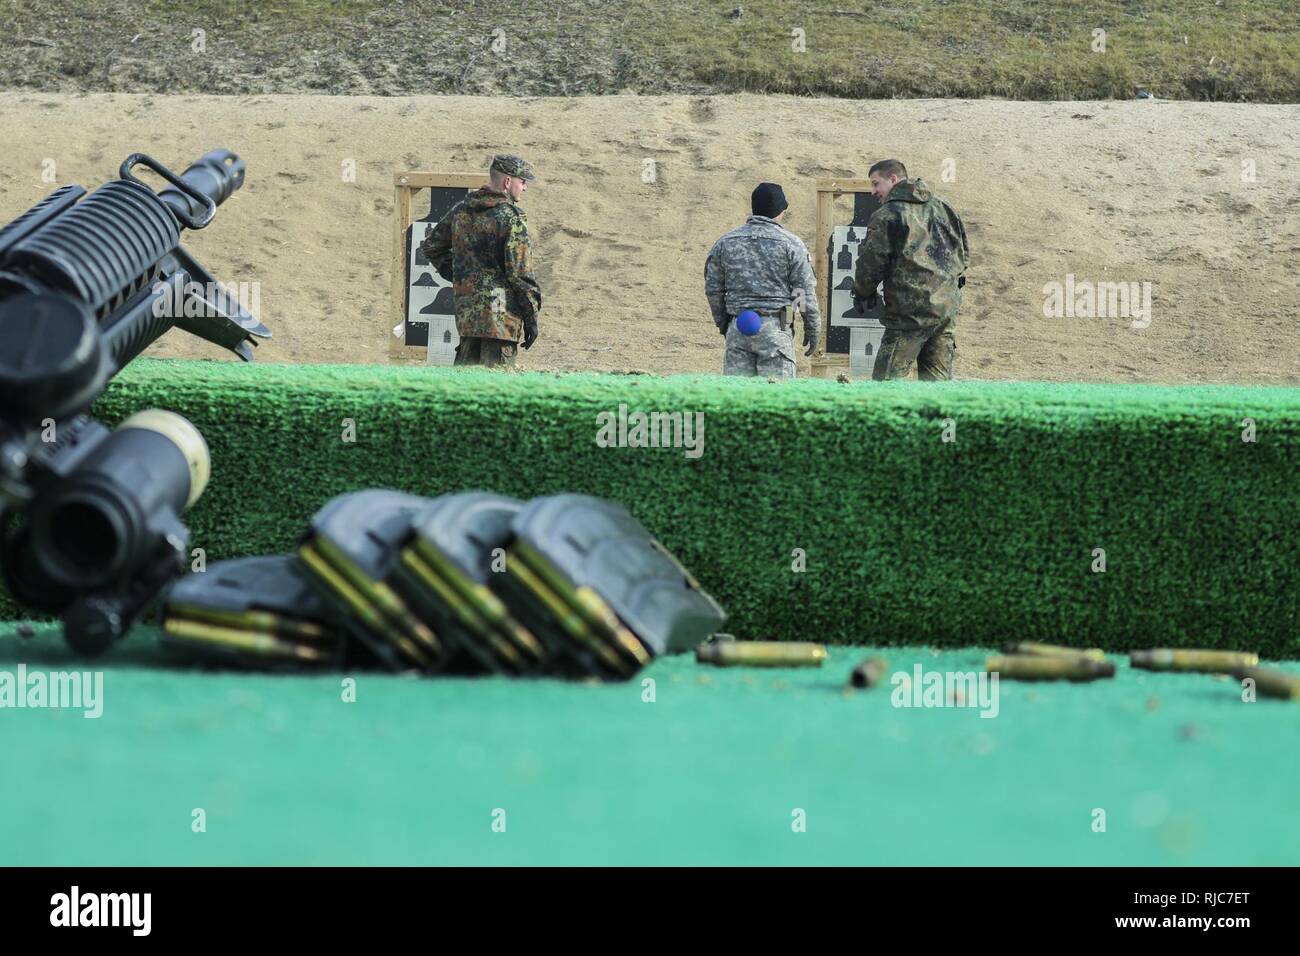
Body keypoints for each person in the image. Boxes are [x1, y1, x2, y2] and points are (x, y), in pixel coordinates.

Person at [420, 154, 542, 367]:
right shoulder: (511, 218)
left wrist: (462, 277)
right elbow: (520, 275)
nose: (524, 187)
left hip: (468, 319)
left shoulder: (461, 210)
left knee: (465, 384)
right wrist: (531, 318)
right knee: (495, 384)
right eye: (522, 181)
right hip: (500, 319)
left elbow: (432, 246)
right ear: (507, 182)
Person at [852, 159, 968, 381]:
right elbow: (962, 254)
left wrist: (862, 291)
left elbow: (871, 262)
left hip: (908, 314)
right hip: (944, 310)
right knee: (937, 387)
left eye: (876, 184)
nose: (873, 191)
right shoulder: (944, 207)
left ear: (893, 179)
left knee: (887, 384)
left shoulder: (888, 214)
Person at [704, 182, 821, 378]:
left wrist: (724, 323)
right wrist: (812, 327)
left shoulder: (725, 243)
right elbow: (802, 291)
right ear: (781, 211)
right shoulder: (791, 244)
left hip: (738, 329)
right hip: (775, 333)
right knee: (776, 396)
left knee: (737, 395)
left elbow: (713, 289)